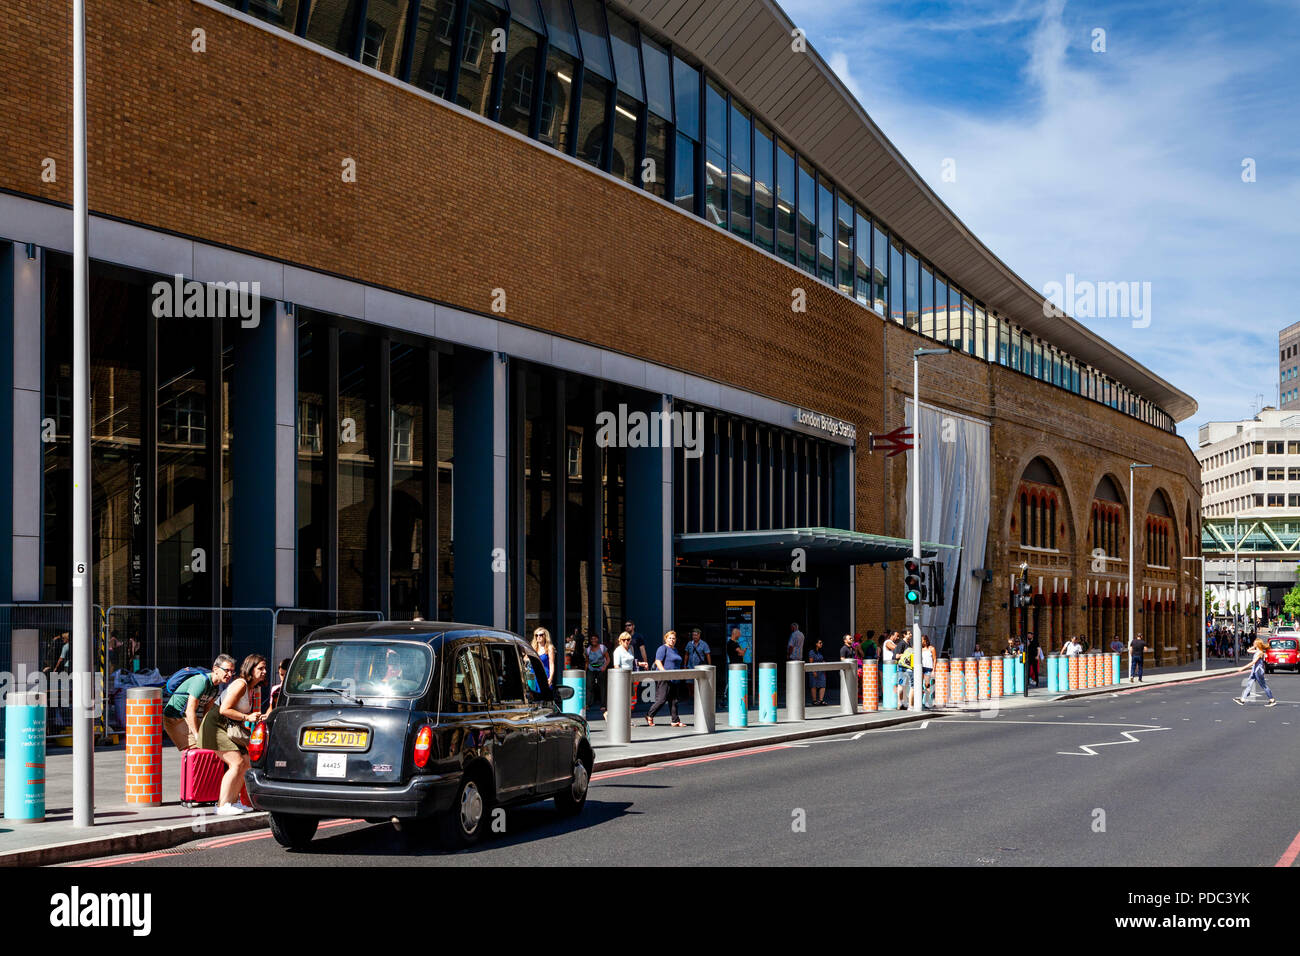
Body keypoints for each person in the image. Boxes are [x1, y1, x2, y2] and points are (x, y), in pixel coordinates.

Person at [200, 654, 267, 815]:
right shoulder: (240, 684)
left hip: (228, 726)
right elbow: (224, 710)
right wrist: (247, 717)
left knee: (245, 762)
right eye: (260, 668)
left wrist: (254, 718)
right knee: (236, 762)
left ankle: (233, 801)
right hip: (216, 725)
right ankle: (222, 805)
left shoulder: (252, 688)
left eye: (265, 668)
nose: (264, 671)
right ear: (250, 669)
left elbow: (239, 713)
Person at [162, 654, 235, 751]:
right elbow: (189, 711)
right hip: (175, 717)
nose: (229, 674)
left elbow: (207, 712)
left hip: (187, 717)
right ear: (215, 669)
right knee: (197, 748)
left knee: (214, 743)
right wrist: (197, 735)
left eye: (232, 671)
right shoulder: (201, 682)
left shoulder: (216, 688)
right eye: (226, 670)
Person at [646, 630, 685, 727]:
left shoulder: (675, 650)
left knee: (674, 700)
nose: (672, 640)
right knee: (662, 699)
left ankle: (675, 720)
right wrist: (665, 673)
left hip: (675, 678)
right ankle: (649, 715)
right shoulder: (662, 648)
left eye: (673, 638)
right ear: (666, 639)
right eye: (670, 638)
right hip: (665, 678)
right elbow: (658, 661)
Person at [1233, 638, 1278, 707]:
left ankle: (1272, 700)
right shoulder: (1257, 651)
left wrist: (1243, 668)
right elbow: (1248, 650)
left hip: (1258, 671)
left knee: (1264, 686)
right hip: (1254, 671)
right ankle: (1242, 700)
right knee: (1249, 684)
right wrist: (1254, 646)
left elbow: (1253, 662)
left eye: (1254, 643)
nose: (1253, 643)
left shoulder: (1260, 652)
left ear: (1257, 644)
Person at [613, 631, 637, 714]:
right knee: (623, 699)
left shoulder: (630, 649)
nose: (626, 641)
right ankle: (610, 713)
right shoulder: (618, 651)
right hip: (622, 677)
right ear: (620, 641)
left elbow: (632, 662)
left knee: (629, 698)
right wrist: (621, 678)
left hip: (630, 676)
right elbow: (616, 666)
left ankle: (627, 719)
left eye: (628, 639)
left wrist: (641, 663)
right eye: (624, 640)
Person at [585, 633, 608, 714]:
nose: (593, 640)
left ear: (597, 639)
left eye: (595, 639)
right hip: (591, 668)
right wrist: (585, 670)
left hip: (600, 668)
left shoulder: (602, 648)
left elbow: (608, 659)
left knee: (602, 686)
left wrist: (604, 667)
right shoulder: (588, 649)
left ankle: (603, 704)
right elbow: (587, 661)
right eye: (592, 639)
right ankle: (588, 703)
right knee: (589, 686)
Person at [807, 639, 827, 706]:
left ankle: (821, 700)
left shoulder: (820, 652)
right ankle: (814, 700)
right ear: (816, 644)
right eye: (820, 643)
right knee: (814, 685)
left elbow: (822, 659)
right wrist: (813, 671)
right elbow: (811, 662)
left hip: (821, 671)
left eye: (821, 643)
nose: (821, 644)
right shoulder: (811, 652)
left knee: (823, 685)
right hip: (814, 670)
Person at [920, 635, 935, 705]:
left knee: (927, 685)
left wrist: (934, 670)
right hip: (921, 669)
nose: (920, 642)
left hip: (928, 668)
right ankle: (921, 702)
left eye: (921, 640)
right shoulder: (920, 649)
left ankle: (926, 702)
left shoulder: (931, 648)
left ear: (925, 641)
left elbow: (935, 659)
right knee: (920, 685)